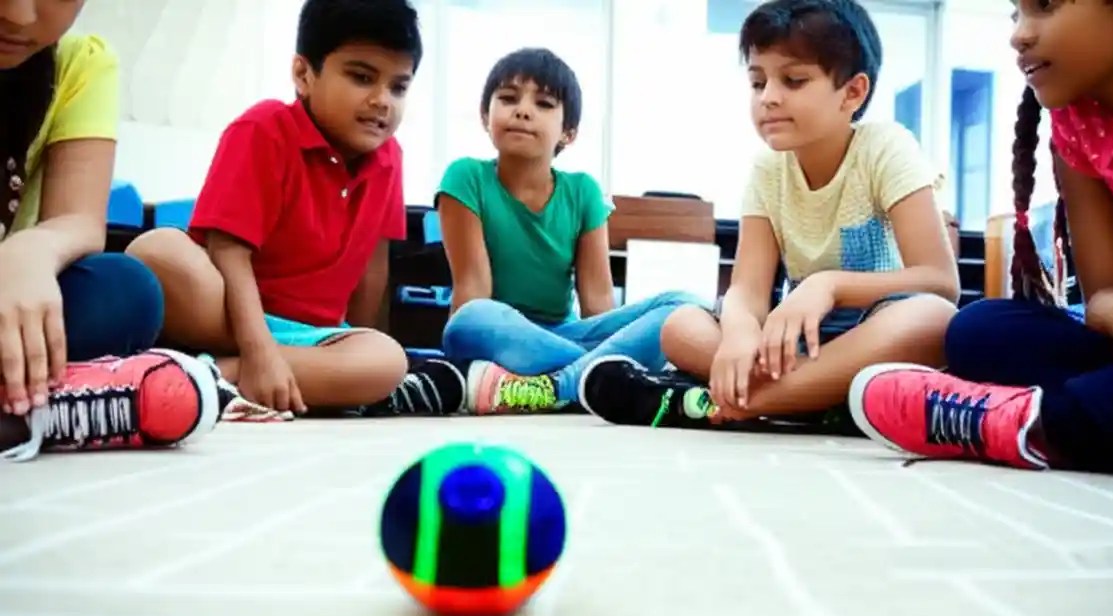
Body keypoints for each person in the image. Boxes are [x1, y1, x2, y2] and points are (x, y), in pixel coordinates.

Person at [849, 1, 1113, 475]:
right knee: (980, 332)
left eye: (1046, 5)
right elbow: (1106, 295)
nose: (1018, 35)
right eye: (1016, 13)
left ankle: (1044, 427)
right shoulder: (1078, 124)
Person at [578, 0, 958, 430]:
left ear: (853, 92)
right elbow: (747, 290)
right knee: (680, 325)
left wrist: (829, 285)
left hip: (872, 333)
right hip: (790, 350)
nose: (769, 98)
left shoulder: (886, 147)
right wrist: (740, 333)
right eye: (758, 83)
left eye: (794, 80)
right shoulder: (768, 169)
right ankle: (820, 402)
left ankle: (733, 401)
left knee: (932, 319)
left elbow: (940, 282)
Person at [128, 0, 464, 419]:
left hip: (310, 337)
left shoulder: (390, 158)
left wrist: (359, 348)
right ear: (304, 75)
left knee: (387, 361)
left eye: (398, 87)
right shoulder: (262, 129)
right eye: (361, 77)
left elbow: (372, 271)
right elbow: (229, 253)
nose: (383, 101)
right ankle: (263, 372)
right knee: (156, 252)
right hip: (227, 313)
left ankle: (209, 377)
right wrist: (258, 350)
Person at [1, 0, 218, 462]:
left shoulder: (79, 63)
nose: (19, 15)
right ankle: (47, 407)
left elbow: (79, 219)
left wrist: (28, 252)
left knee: (127, 290)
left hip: (13, 295)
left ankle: (28, 401)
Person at [435, 47, 701, 415]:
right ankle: (605, 377)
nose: (523, 110)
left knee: (687, 305)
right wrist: (615, 353)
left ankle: (557, 386)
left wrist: (611, 339)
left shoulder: (583, 191)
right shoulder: (465, 177)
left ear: (569, 133)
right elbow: (473, 290)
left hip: (565, 333)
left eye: (544, 104)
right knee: (472, 316)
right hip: (493, 334)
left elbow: (597, 302)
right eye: (508, 99)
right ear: (485, 116)